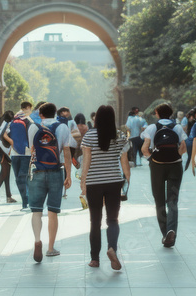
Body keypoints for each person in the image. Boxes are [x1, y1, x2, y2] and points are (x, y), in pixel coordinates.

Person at [79, 105, 130, 269]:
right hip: (114, 182)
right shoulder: (120, 136)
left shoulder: (89, 136)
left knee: (95, 221)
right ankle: (112, 248)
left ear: (97, 118)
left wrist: (83, 181)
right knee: (113, 219)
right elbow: (124, 162)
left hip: (94, 182)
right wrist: (127, 179)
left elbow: (86, 161)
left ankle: (95, 259)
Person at [27, 102, 73, 262]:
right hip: (56, 172)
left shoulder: (33, 128)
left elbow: (32, 150)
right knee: (53, 212)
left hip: (37, 171)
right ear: (55, 113)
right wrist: (68, 175)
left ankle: (37, 240)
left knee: (36, 211)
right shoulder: (62, 127)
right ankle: (51, 248)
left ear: (40, 114)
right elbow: (66, 152)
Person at [141, 102, 187, 248]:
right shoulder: (177, 127)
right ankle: (172, 230)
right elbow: (183, 147)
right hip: (175, 166)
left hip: (157, 167)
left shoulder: (152, 128)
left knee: (159, 201)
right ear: (171, 113)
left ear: (157, 113)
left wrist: (152, 160)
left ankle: (165, 233)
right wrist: (176, 157)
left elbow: (144, 149)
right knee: (172, 201)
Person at [4, 102, 34, 211]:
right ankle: (26, 202)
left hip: (14, 153)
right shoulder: (29, 121)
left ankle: (25, 201)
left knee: (18, 179)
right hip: (26, 153)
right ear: (28, 108)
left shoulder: (13, 120)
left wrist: (12, 142)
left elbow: (4, 134)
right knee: (24, 177)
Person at [0, 111, 17, 203]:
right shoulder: (7, 123)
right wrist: (7, 148)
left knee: (7, 171)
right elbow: (2, 136)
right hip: (2, 150)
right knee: (5, 170)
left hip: (1, 149)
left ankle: (8, 196)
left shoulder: (3, 122)